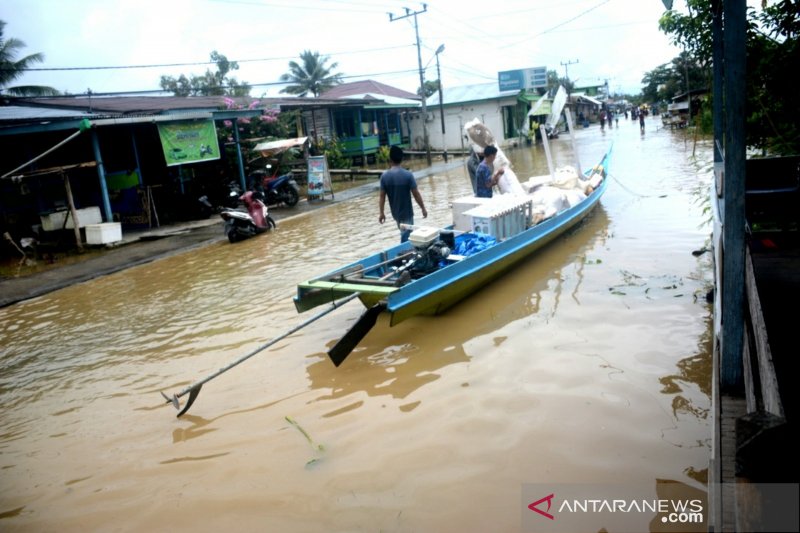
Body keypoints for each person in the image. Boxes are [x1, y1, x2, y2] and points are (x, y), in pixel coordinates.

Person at [379, 145, 427, 242]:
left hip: (395, 213)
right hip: (407, 214)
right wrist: (423, 208)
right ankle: (405, 254)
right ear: (402, 159)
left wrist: (381, 213)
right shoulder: (408, 175)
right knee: (406, 238)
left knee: (404, 233)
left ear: (390, 159)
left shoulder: (384, 176)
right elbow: (416, 194)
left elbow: (382, 197)